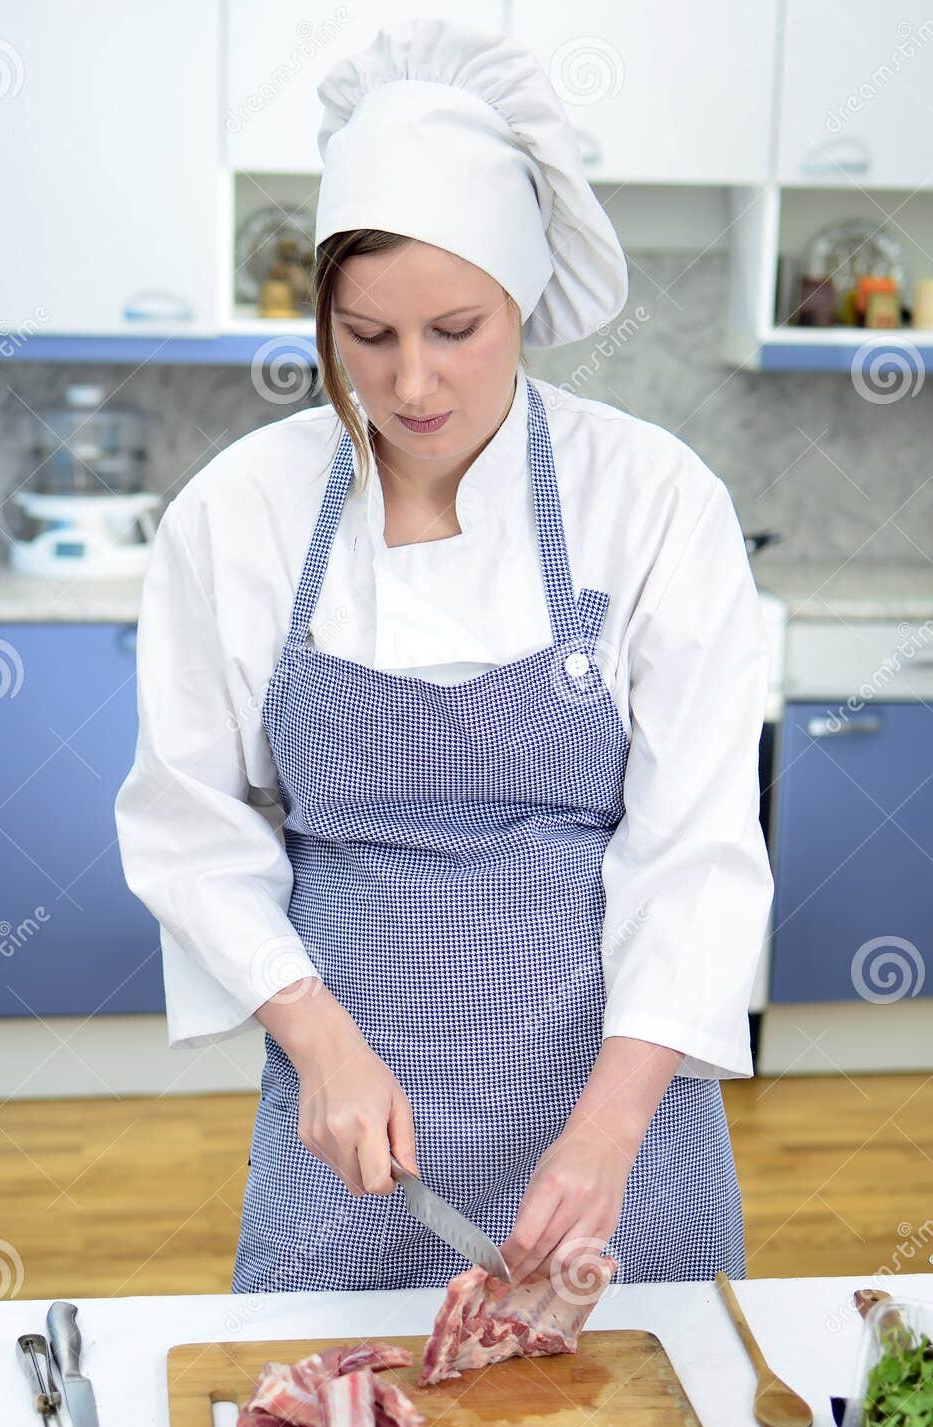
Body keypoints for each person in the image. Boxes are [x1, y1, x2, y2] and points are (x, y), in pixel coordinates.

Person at [115, 18, 774, 1295]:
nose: (411, 385)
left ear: (523, 298)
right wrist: (315, 1040)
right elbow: (190, 824)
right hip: (348, 1116)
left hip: (613, 1111)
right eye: (366, 337)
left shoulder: (651, 499)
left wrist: (611, 1124)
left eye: (456, 329)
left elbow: (696, 843)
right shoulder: (236, 513)